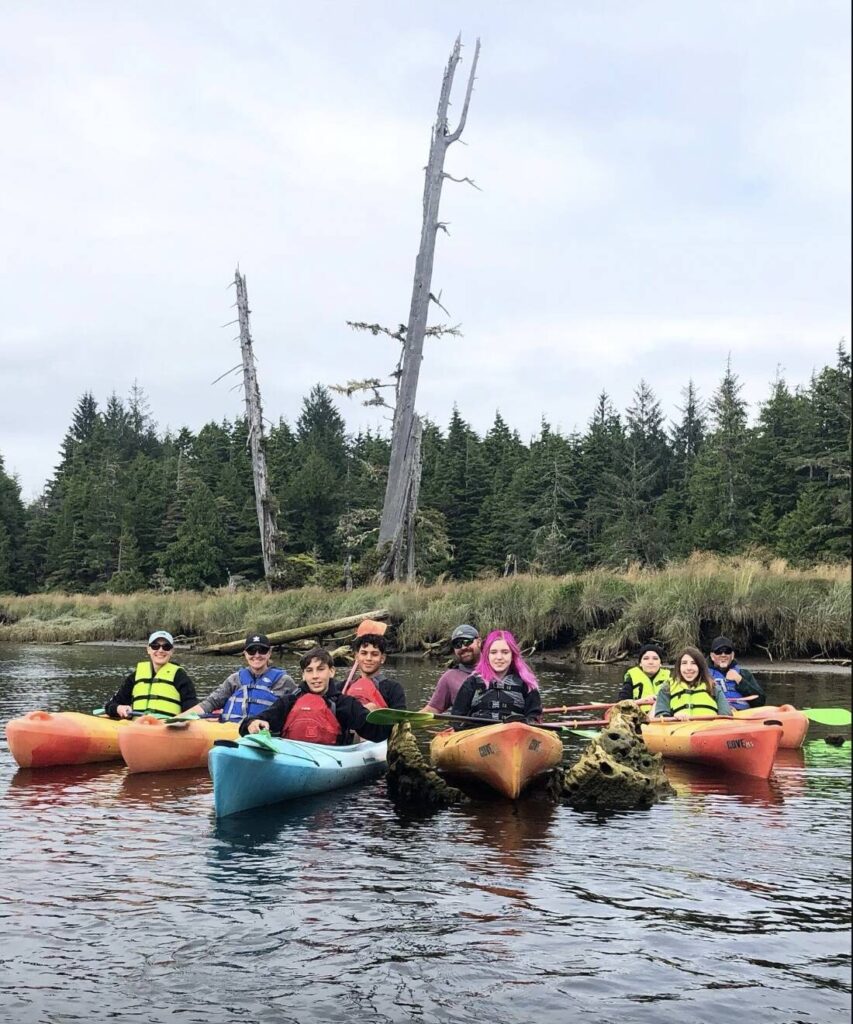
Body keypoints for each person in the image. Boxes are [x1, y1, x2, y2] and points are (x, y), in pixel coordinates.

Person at [239, 647, 371, 745]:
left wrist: (383, 723)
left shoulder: (345, 704)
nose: (315, 676)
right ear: (303, 675)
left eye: (320, 669)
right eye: (309, 670)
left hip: (331, 758)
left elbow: (374, 731)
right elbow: (251, 723)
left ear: (331, 672)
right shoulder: (289, 701)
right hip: (295, 757)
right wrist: (252, 723)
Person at [182, 632, 296, 722]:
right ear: (245, 654)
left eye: (262, 650)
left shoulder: (284, 681)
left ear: (269, 653)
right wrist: (179, 718)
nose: (256, 655)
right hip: (231, 730)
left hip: (265, 733)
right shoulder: (235, 679)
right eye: (251, 651)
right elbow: (211, 703)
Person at [450, 629, 543, 729]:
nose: (499, 657)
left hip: (514, 733)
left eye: (505, 652)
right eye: (493, 652)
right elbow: (457, 718)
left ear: (512, 656)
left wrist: (529, 723)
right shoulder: (472, 682)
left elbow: (534, 717)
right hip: (478, 733)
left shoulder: (526, 684)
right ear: (487, 656)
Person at [104, 630, 197, 720]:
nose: (160, 650)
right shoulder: (135, 677)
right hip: (138, 728)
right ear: (148, 649)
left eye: (166, 647)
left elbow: (192, 711)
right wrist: (119, 708)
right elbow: (110, 705)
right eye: (155, 646)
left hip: (167, 729)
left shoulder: (180, 677)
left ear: (172, 651)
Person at [651, 646, 733, 719]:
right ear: (679, 667)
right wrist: (674, 718)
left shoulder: (713, 687)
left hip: (708, 731)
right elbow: (661, 716)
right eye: (684, 663)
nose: (689, 668)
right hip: (679, 731)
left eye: (693, 663)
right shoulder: (667, 688)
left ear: (700, 666)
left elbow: (726, 716)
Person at [421, 624, 482, 714]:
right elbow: (432, 709)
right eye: (457, 644)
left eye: (467, 642)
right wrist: (405, 720)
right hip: (468, 726)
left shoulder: (498, 666)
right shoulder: (449, 678)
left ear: (479, 642)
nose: (463, 647)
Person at [707, 636, 766, 710]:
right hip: (717, 713)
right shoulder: (703, 674)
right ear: (712, 656)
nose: (723, 655)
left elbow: (760, 701)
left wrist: (740, 680)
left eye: (727, 651)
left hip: (742, 714)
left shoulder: (744, 674)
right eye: (718, 651)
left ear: (732, 655)